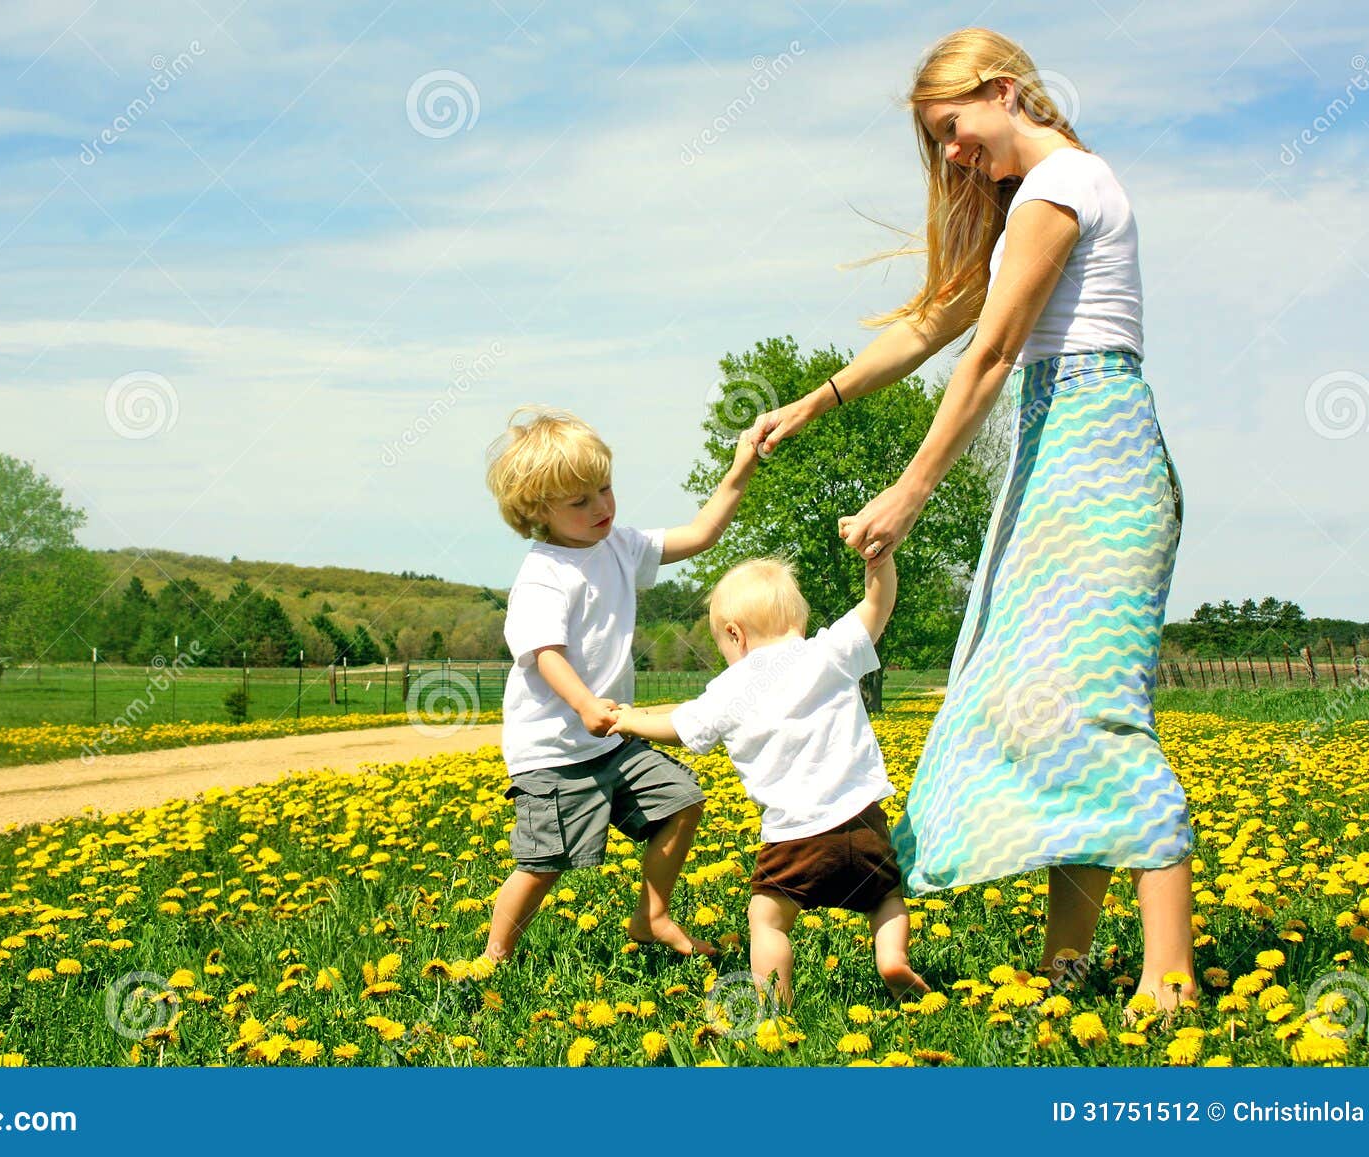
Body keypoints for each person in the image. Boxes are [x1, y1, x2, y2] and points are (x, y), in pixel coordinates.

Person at [749, 27, 1195, 1014]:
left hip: (1100, 462)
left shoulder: (1059, 188)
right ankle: (1066, 970)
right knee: (1036, 711)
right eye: (939, 143)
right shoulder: (1033, 205)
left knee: (1088, 713)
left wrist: (905, 495)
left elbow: (988, 358)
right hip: (1062, 463)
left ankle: (1171, 980)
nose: (952, 155)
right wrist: (812, 401)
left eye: (953, 130)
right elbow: (926, 325)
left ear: (1002, 89)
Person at [481, 406, 760, 961]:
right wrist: (585, 705)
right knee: (543, 864)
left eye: (605, 489)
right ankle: (494, 957)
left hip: (611, 739)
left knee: (682, 802)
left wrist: (741, 467)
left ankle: (651, 917)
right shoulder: (543, 574)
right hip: (555, 752)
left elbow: (702, 534)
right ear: (538, 510)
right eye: (580, 501)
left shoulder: (620, 545)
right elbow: (545, 655)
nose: (602, 507)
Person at [613, 555, 927, 1009]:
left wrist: (631, 721)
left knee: (768, 920)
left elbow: (681, 729)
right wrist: (879, 558)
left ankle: (775, 1004)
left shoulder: (730, 687)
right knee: (887, 898)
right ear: (797, 619)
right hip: (864, 825)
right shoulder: (829, 651)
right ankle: (892, 957)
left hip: (793, 838)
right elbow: (878, 604)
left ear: (735, 633)